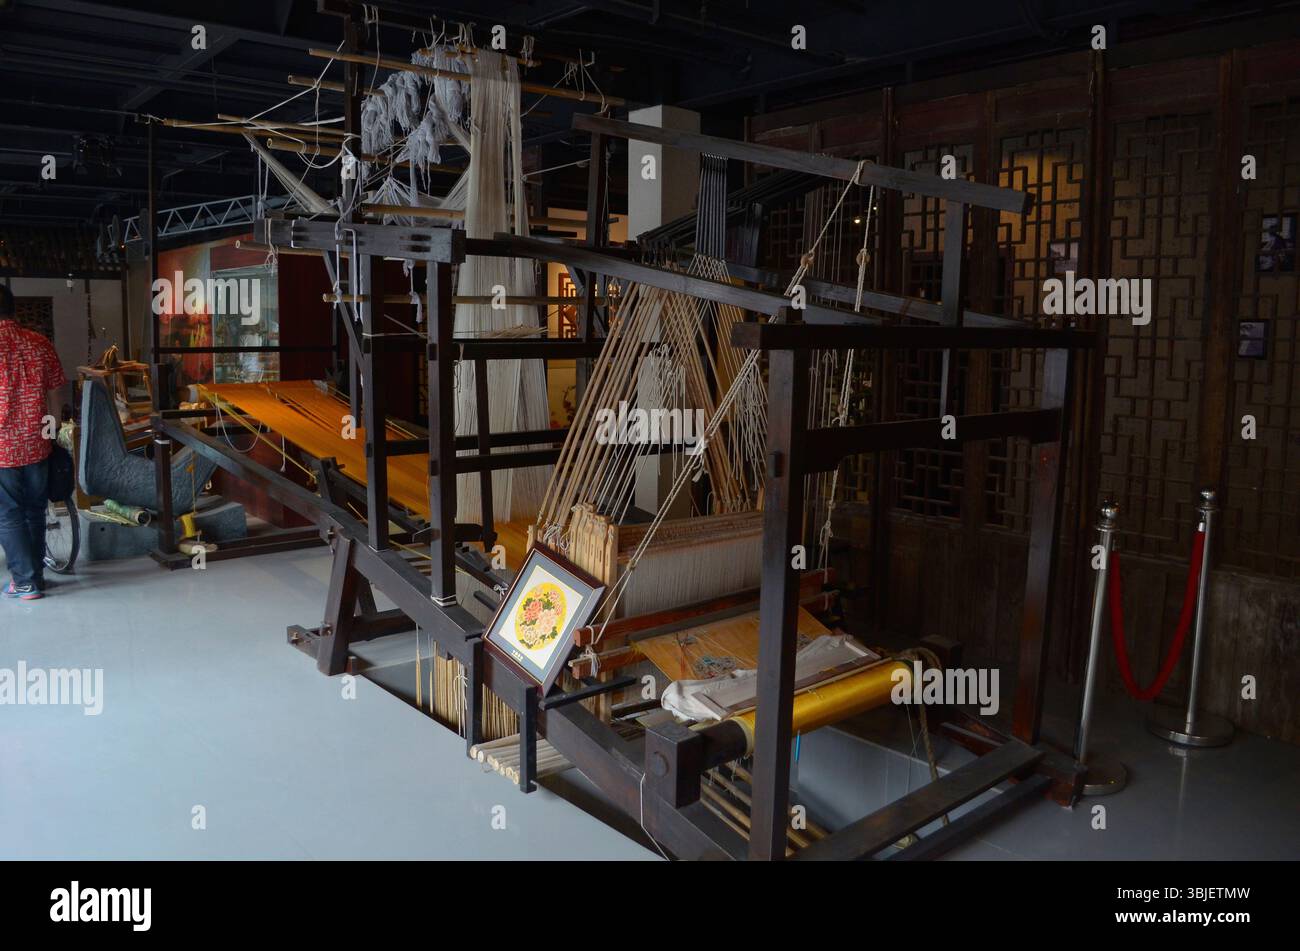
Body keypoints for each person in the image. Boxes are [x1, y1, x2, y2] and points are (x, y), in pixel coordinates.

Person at [0, 285, 68, 601]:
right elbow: (56, 392)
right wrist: (51, 430)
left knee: (8, 513)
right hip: (37, 440)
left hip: (3, 448)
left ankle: (24, 583)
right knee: (35, 511)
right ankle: (37, 577)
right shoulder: (39, 343)